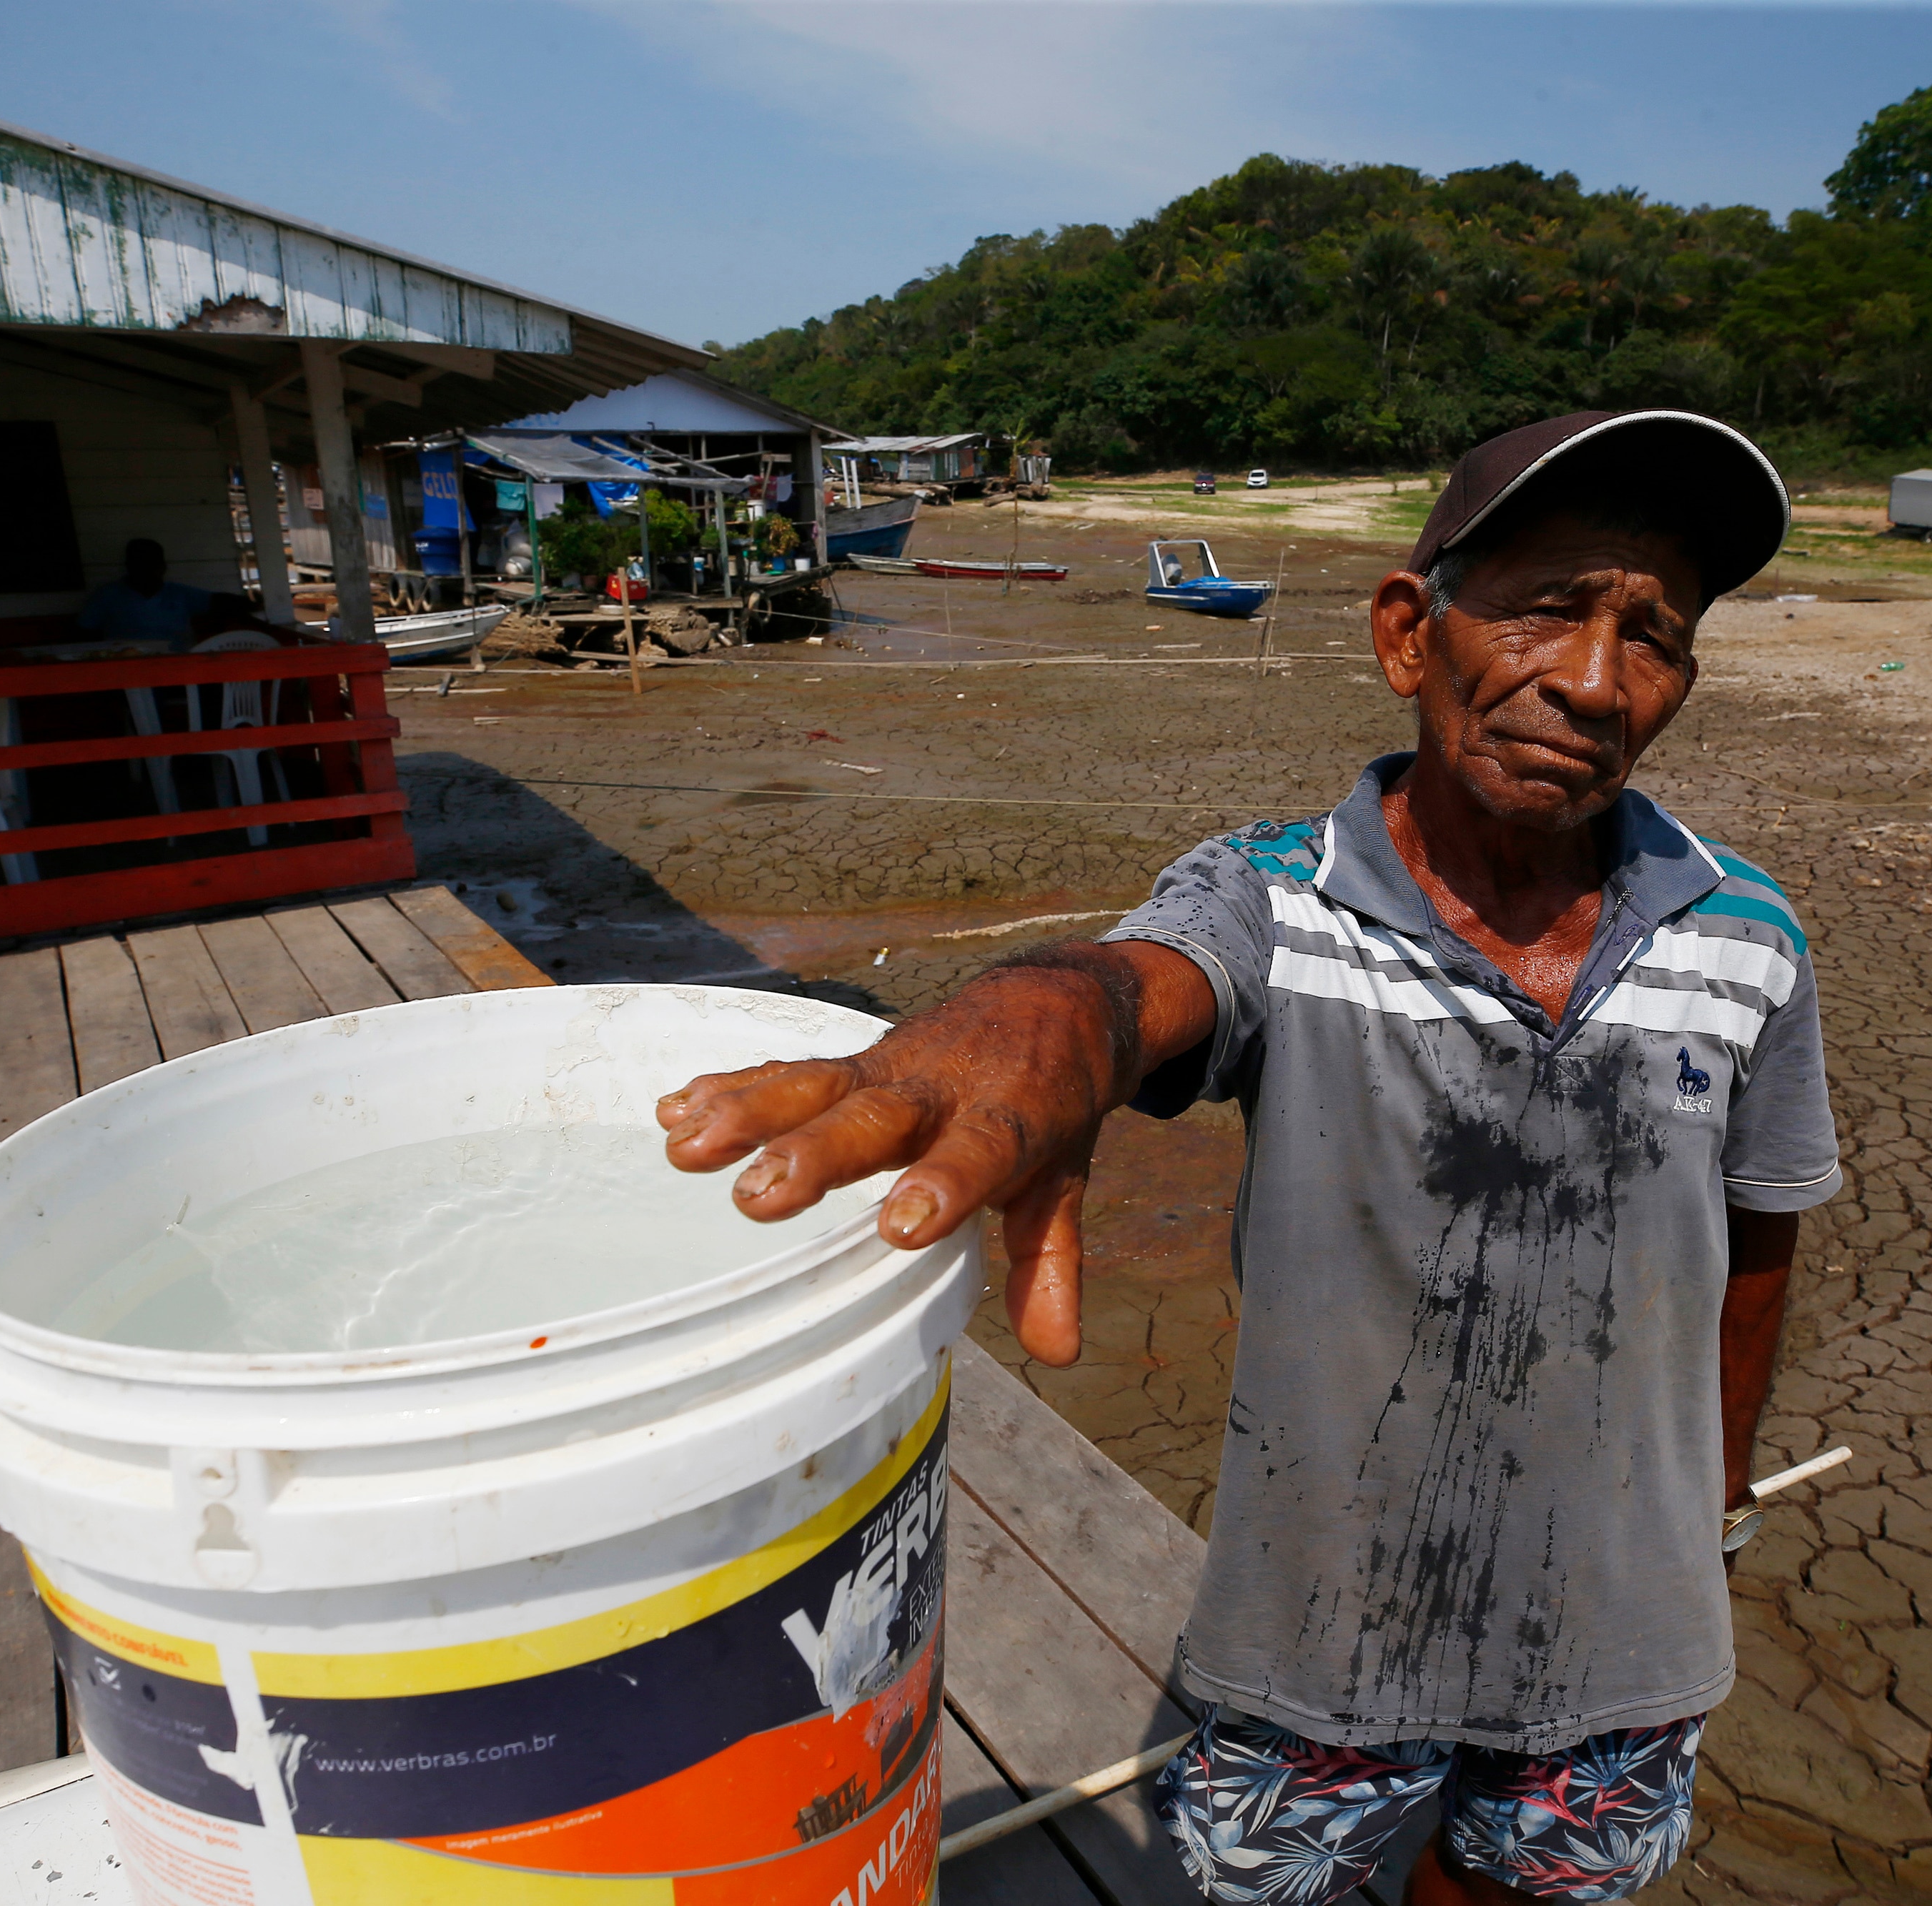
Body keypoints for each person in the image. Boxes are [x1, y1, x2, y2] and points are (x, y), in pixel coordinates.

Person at [658, 410, 1839, 1905]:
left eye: (1649, 635)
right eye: (1545, 608)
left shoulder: (1744, 940)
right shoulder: (1277, 901)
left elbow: (1759, 1239)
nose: (1593, 682)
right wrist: (1047, 1009)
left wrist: (1718, 1507)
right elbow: (1142, 979)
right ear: (1410, 634)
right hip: (1319, 1632)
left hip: (1623, 1631)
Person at [76, 539, 279, 652]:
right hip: (130, 668)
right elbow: (84, 632)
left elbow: (216, 601)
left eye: (152, 565)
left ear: (163, 567)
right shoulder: (108, 595)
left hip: (180, 664)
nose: (146, 571)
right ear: (129, 567)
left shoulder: (178, 593)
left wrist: (252, 602)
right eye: (140, 565)